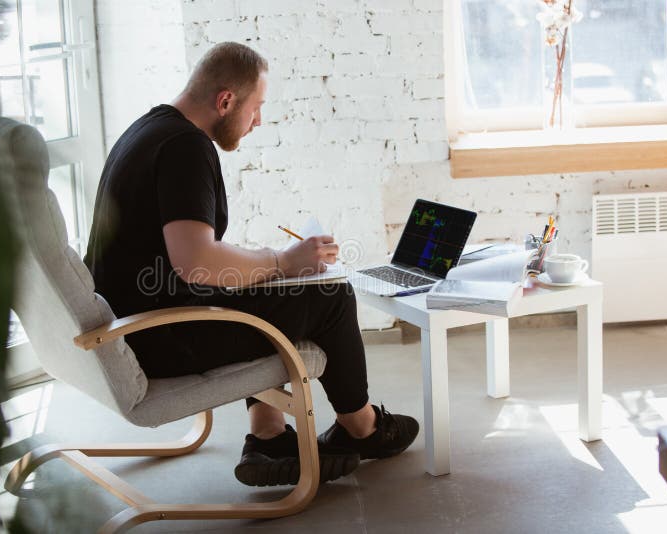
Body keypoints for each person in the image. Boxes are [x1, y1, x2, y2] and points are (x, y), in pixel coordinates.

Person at [84, 41, 419, 487]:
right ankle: (362, 427)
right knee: (331, 295)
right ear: (226, 101)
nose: (259, 120)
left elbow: (188, 256)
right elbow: (198, 263)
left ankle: (269, 436)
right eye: (256, 107)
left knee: (266, 286)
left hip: (137, 324)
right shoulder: (187, 147)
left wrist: (273, 269)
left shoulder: (149, 129)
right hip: (159, 336)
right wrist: (281, 261)